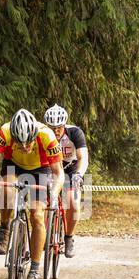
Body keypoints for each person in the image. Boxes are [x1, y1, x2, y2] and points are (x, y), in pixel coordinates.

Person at [0, 108, 64, 279]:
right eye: (20, 144)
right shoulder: (4, 132)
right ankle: (4, 227)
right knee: (7, 192)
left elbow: (59, 173)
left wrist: (53, 193)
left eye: (29, 143)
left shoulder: (47, 136)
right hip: (14, 165)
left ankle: (35, 269)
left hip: (40, 169)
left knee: (37, 215)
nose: (25, 147)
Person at [43, 104, 87, 257]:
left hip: (70, 170)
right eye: (52, 127)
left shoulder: (75, 132)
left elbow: (83, 157)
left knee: (73, 203)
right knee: (43, 202)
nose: (55, 131)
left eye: (59, 128)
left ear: (64, 124)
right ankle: (44, 233)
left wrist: (79, 174)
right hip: (50, 169)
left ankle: (69, 238)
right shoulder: (42, 134)